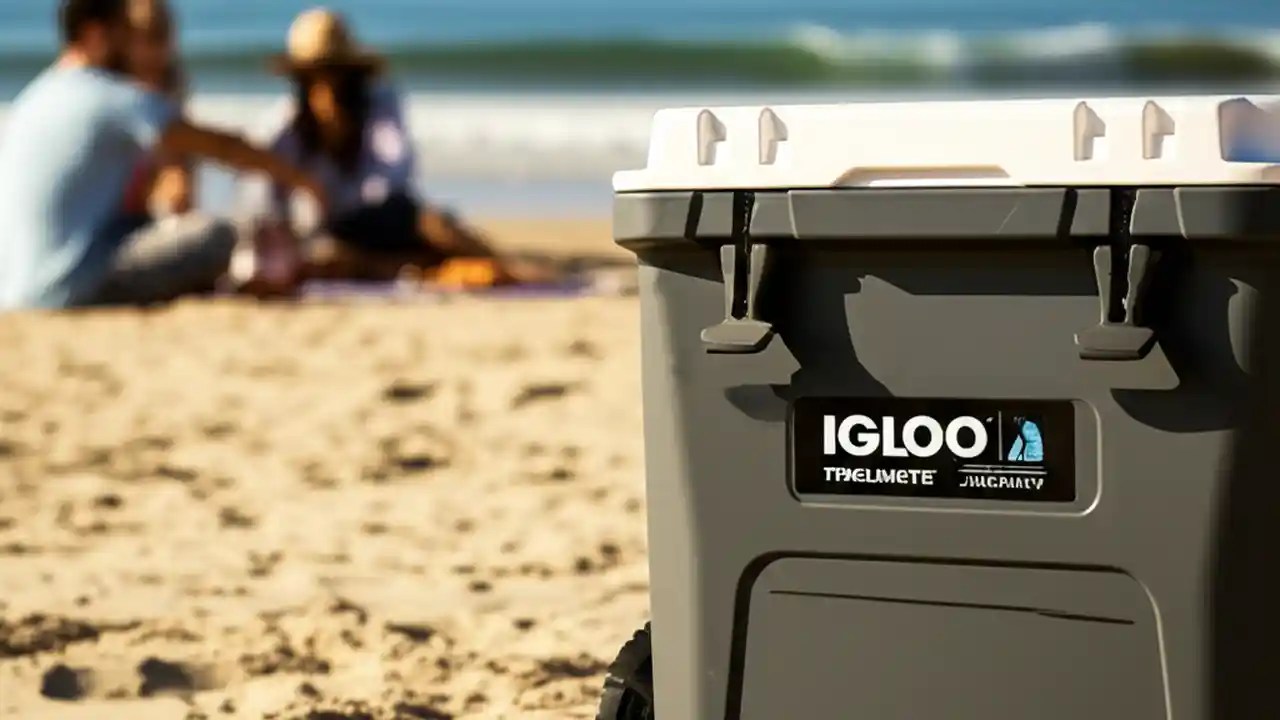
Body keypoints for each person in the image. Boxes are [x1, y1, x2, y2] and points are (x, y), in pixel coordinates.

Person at [0, 0, 327, 310]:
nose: (133, 44)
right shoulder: (113, 96)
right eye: (125, 32)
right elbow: (224, 148)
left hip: (18, 287)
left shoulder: (36, 97)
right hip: (71, 285)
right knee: (221, 236)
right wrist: (304, 181)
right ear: (96, 34)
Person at [244, 8, 530, 287]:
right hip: (323, 234)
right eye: (317, 75)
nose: (329, 85)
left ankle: (508, 267)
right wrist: (307, 195)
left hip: (379, 217)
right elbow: (262, 201)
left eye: (335, 72)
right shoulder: (282, 127)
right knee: (328, 258)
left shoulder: (378, 104)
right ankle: (419, 267)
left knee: (434, 225)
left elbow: (394, 172)